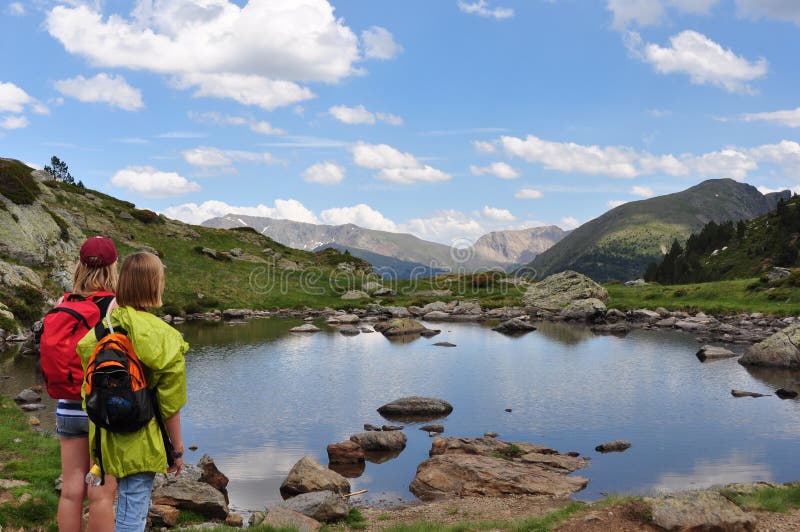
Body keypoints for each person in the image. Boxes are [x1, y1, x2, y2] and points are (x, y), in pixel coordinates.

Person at [77, 252, 188, 532]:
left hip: (108, 434)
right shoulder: (164, 336)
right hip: (143, 436)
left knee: (127, 504)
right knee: (133, 511)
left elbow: (87, 390)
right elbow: (170, 402)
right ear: (155, 285)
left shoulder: (100, 331)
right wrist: (177, 448)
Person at [47, 236, 118, 532]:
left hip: (67, 407)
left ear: (80, 265)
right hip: (102, 411)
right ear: (113, 267)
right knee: (100, 495)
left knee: (71, 491)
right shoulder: (115, 304)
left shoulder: (63, 302)